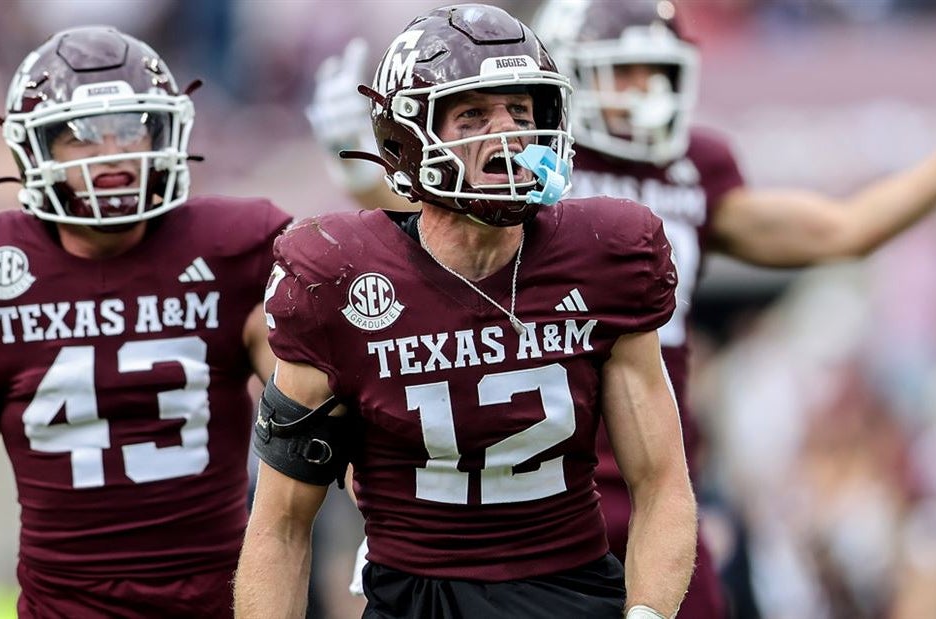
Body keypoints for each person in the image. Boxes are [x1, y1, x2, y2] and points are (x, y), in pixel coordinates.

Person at [308, 1, 936, 617]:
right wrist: (353, 152)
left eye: (655, 72)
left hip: (658, 482)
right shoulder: (514, 181)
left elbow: (837, 231)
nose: (644, 91)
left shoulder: (689, 171)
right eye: (622, 71)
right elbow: (419, 213)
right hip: (528, 503)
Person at [236, 5, 697, 619]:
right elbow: (280, 525)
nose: (506, 133)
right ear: (409, 134)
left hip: (571, 594)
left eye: (521, 112)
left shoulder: (604, 256)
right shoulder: (338, 278)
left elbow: (663, 482)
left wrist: (646, 614)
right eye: (474, 114)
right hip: (413, 599)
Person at [0, 26, 292, 618]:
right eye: (82, 136)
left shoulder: (236, 250)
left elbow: (315, 428)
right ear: (35, 152)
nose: (112, 152)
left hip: (217, 602)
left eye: (131, 128)